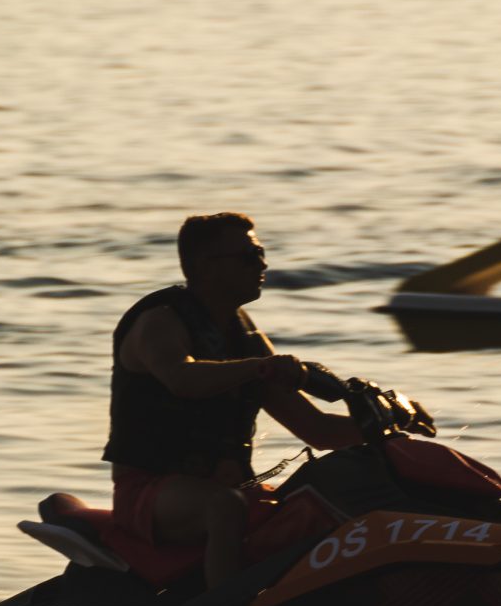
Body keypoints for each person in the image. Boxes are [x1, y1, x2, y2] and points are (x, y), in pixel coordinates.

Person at [103, 213, 359, 586]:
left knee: (313, 503)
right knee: (226, 506)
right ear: (206, 265)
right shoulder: (159, 322)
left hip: (226, 486)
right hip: (147, 492)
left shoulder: (247, 336)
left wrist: (384, 427)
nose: (263, 264)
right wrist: (259, 368)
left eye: (262, 253)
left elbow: (315, 429)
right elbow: (181, 379)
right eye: (249, 256)